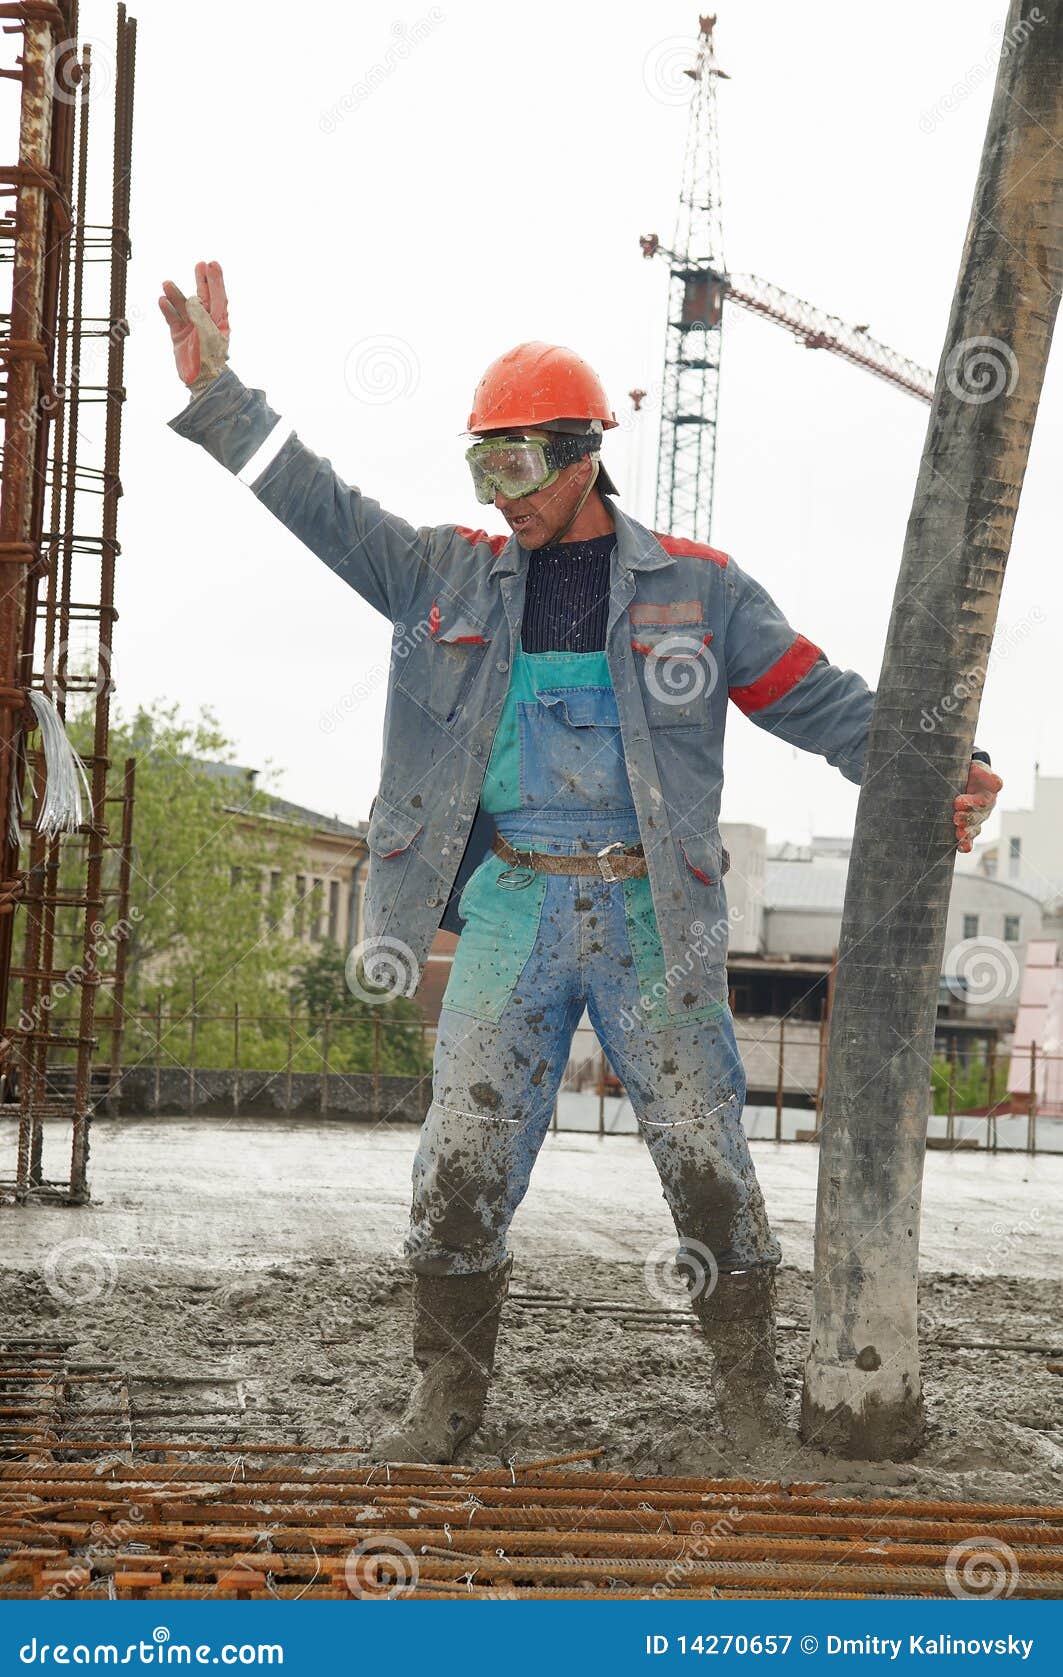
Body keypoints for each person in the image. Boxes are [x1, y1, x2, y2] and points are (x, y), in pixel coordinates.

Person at [161, 261, 1002, 1461]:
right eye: (479, 465)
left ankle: (749, 1406)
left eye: (515, 465)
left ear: (579, 454)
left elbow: (817, 700)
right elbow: (320, 503)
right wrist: (224, 395)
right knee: (461, 1156)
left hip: (653, 907)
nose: (497, 492)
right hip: (513, 901)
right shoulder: (444, 575)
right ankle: (443, 1402)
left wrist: (940, 761)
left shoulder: (699, 594)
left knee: (703, 1153)